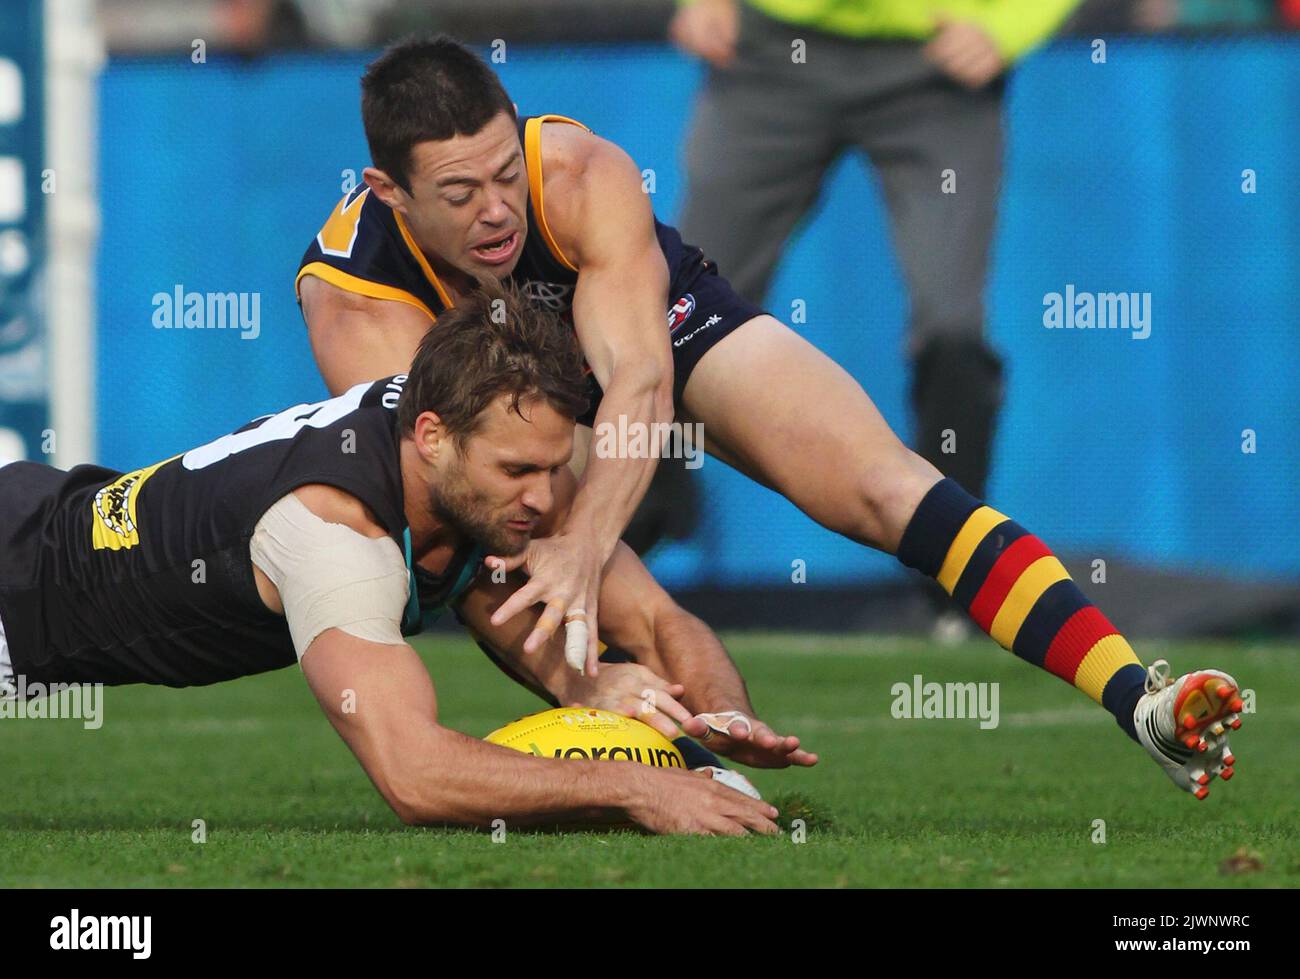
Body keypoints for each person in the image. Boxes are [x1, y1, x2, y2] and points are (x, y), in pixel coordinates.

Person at [296, 35, 1246, 800]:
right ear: (390, 193)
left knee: (885, 485)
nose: (499, 211)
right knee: (539, 558)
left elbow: (639, 383)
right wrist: (573, 568)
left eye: (507, 171)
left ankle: (1139, 703)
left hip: (630, 345)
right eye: (460, 197)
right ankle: (697, 762)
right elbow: (466, 519)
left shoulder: (578, 172)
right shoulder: (358, 306)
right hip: (498, 417)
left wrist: (586, 539)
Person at [0, 281, 807, 835]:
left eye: (553, 467)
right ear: (430, 439)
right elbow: (415, 774)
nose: (542, 496)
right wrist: (638, 786)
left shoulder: (478, 442)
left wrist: (719, 712)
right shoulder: (332, 532)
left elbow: (657, 618)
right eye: (518, 472)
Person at [669, 0, 1079, 636]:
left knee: (954, 331)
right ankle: (620, 553)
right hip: (769, 53)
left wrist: (1010, 26)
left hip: (937, 65)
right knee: (669, 316)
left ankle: (955, 591)